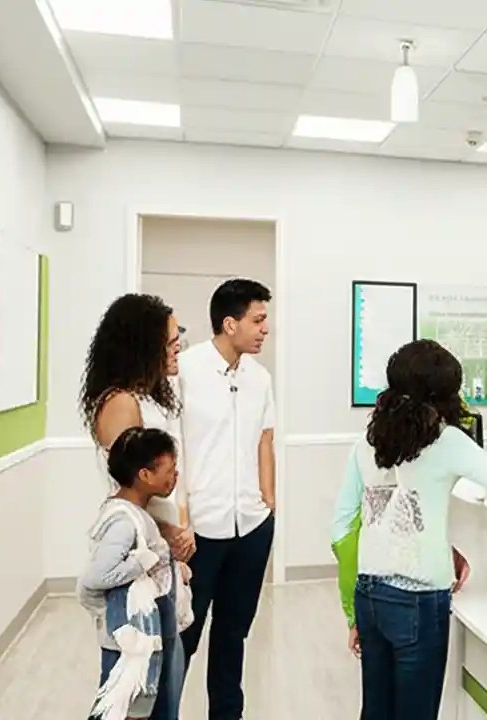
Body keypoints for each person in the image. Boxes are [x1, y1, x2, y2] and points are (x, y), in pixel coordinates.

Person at [331, 339, 487, 720]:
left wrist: (353, 613)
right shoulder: (447, 441)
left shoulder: (367, 442)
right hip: (419, 602)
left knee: (376, 712)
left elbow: (341, 525)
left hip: (370, 597)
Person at [80, 293, 189, 717]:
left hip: (157, 559)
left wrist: (177, 534)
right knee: (136, 689)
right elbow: (133, 489)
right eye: (171, 341)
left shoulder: (145, 397)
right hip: (139, 561)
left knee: (165, 687)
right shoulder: (120, 404)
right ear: (142, 345)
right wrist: (169, 538)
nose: (178, 347)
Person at [177, 278, 275, 720]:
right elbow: (170, 446)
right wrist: (178, 519)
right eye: (258, 319)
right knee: (185, 637)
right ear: (229, 322)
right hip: (200, 530)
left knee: (233, 634)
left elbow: (264, 440)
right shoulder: (186, 370)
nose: (265, 328)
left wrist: (268, 503)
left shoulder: (260, 378)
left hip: (251, 527)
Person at [77, 427, 183, 720]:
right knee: (124, 710)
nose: (175, 476)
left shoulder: (140, 512)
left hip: (152, 633)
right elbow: (96, 578)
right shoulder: (124, 521)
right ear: (145, 475)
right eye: (170, 469)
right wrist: (147, 559)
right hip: (131, 643)